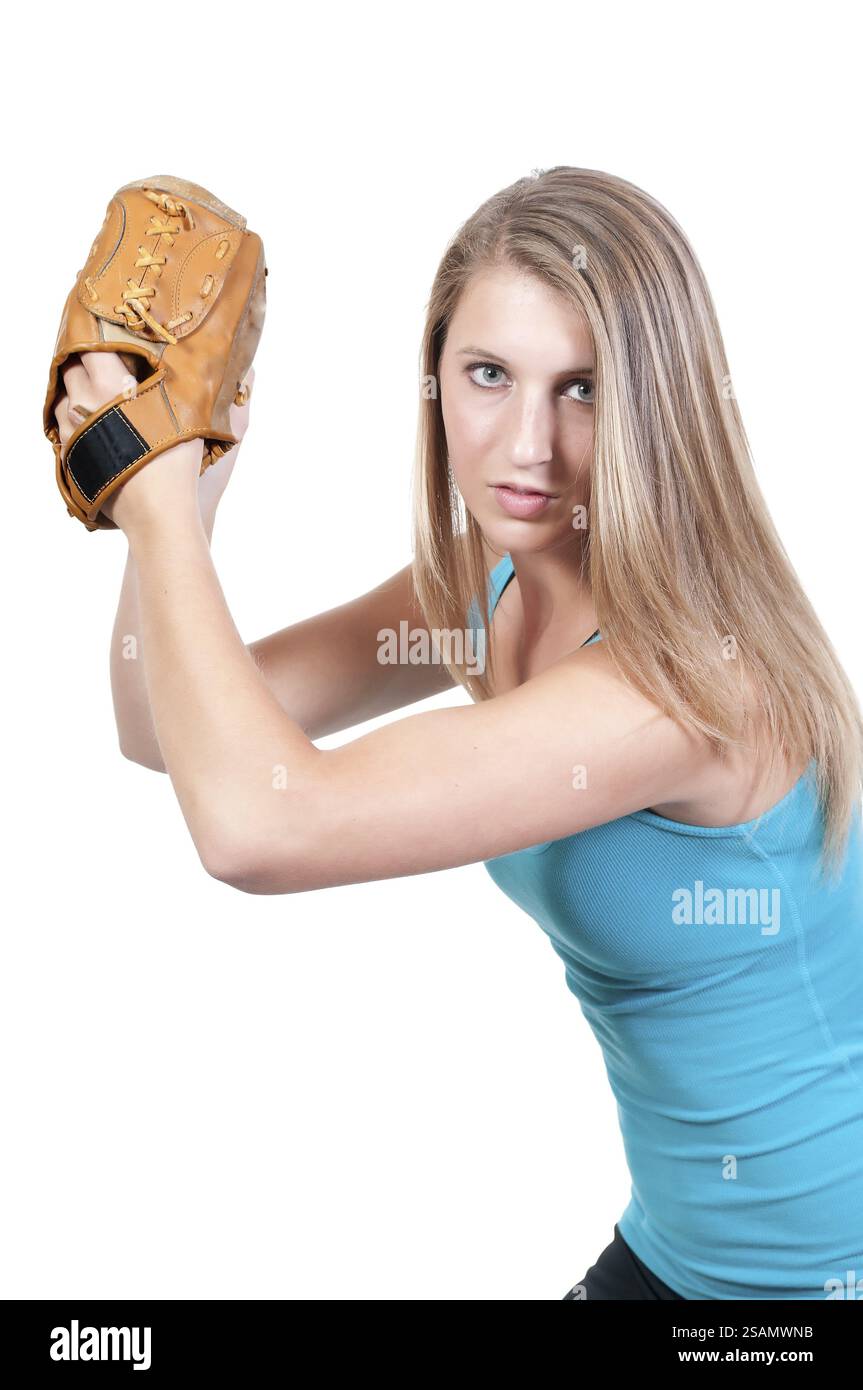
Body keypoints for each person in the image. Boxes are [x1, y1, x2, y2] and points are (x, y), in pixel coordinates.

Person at [53, 166, 863, 1300]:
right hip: (677, 1254)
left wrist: (143, 485)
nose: (525, 445)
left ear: (661, 405)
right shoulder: (487, 583)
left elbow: (256, 828)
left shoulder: (680, 686)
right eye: (488, 375)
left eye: (581, 389)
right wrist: (191, 500)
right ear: (432, 379)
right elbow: (160, 724)